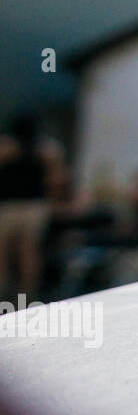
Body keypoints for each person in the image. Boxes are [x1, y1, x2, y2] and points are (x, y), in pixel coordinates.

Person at [0, 117, 55, 298]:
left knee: (15, 251)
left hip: (16, 205)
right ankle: (23, 294)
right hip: (28, 205)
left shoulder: (8, 146)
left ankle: (20, 294)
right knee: (26, 251)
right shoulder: (44, 148)